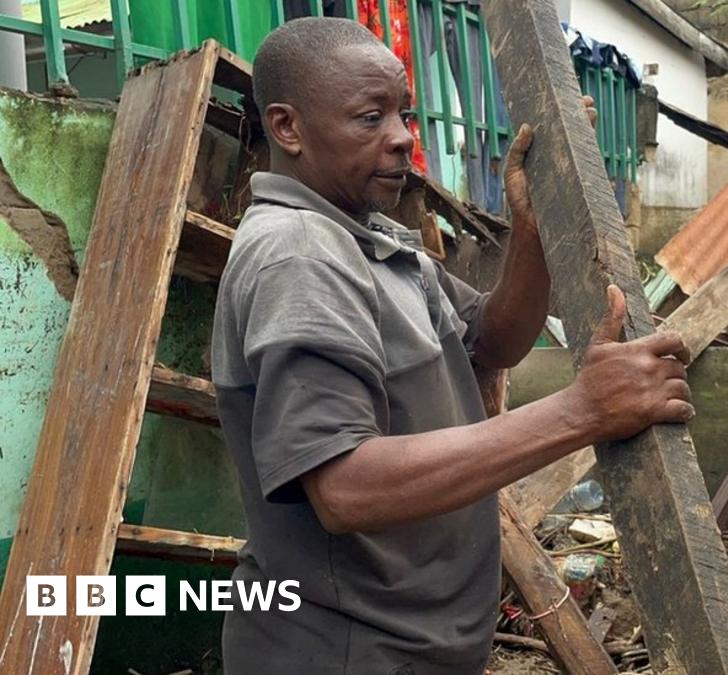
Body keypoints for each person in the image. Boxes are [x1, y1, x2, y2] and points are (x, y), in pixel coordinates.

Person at [211, 17, 693, 675]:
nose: (402, 137)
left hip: (410, 644)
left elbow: (495, 340)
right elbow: (344, 486)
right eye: (369, 118)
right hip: (346, 653)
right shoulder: (299, 255)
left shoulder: (369, 239)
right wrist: (581, 412)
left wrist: (531, 228)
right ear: (288, 127)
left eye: (403, 114)